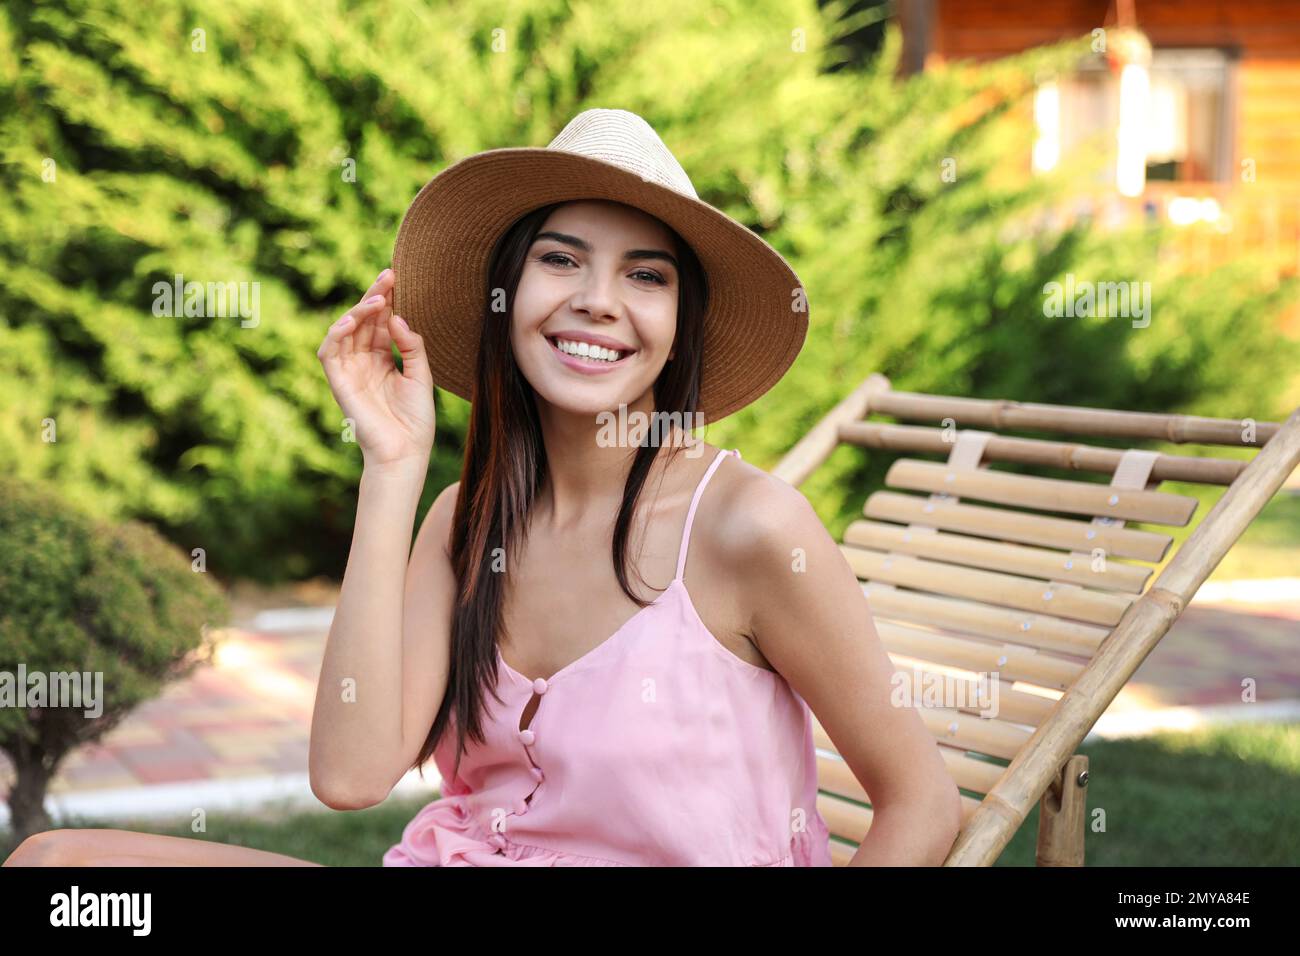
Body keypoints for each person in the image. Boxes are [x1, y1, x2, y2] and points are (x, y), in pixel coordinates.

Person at [4, 109, 961, 868]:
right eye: (560, 260)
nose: (597, 299)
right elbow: (348, 773)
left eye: (646, 274)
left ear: (680, 326)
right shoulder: (467, 520)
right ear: (507, 298)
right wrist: (392, 464)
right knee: (57, 870)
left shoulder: (746, 528)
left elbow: (923, 801)